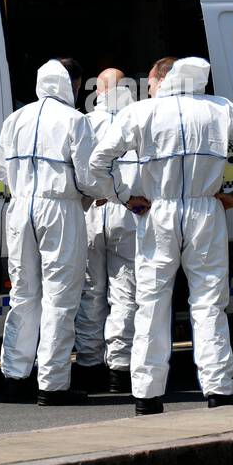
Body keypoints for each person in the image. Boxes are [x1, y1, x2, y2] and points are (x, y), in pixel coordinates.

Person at [90, 56, 233, 415]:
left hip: (158, 211)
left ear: (161, 77)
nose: (149, 88)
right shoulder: (221, 109)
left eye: (151, 82)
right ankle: (218, 387)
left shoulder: (143, 112)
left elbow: (99, 161)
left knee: (152, 302)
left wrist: (124, 197)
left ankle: (146, 393)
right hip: (206, 210)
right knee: (208, 301)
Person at [0, 57, 102, 406]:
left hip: (20, 207)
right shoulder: (76, 121)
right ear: (68, 85)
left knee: (23, 294)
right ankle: (53, 384)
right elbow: (87, 178)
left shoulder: (14, 119)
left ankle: (14, 376)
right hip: (60, 208)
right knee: (60, 296)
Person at [73, 68, 140, 394]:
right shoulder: (138, 119)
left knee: (91, 292)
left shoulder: (83, 123)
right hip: (126, 211)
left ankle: (88, 364)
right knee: (125, 293)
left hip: (90, 211)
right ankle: (120, 368)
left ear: (97, 90)